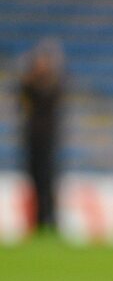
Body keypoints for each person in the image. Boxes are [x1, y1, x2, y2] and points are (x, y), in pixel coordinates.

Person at [18, 38, 66, 231]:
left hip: (48, 141)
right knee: (34, 181)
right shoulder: (29, 85)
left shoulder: (52, 85)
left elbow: (51, 96)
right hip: (32, 140)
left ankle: (51, 221)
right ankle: (37, 222)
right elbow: (21, 101)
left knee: (48, 181)